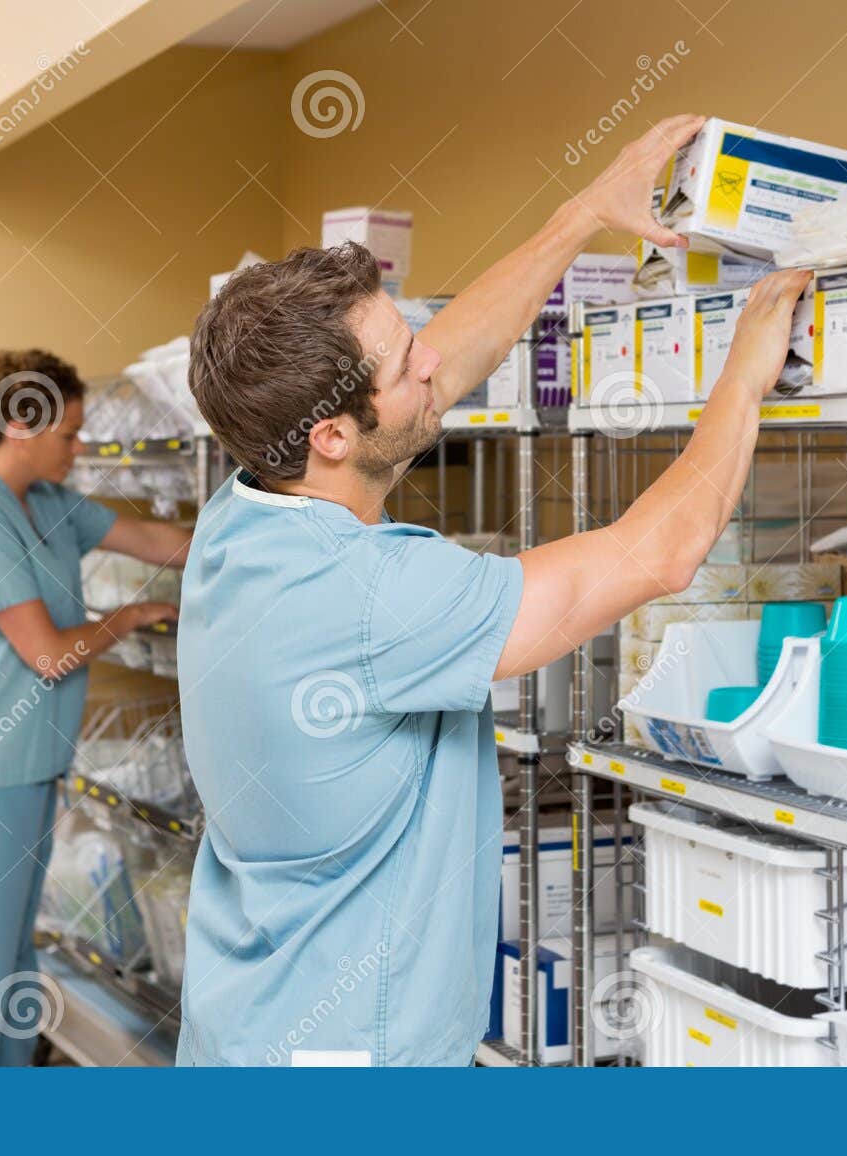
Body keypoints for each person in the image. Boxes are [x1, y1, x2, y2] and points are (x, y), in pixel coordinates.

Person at [177, 115, 812, 1066]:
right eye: (403, 362)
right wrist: (744, 378)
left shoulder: (245, 514)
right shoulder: (372, 592)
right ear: (333, 436)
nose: (429, 360)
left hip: (244, 1033)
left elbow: (447, 358)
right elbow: (659, 553)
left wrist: (587, 212)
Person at [0, 349, 192, 1066]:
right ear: (23, 427)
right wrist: (128, 617)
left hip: (28, 765)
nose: (80, 448)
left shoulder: (49, 503)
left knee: (4, 954)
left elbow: (153, 539)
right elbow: (49, 653)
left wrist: (254, 536)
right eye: (70, 434)